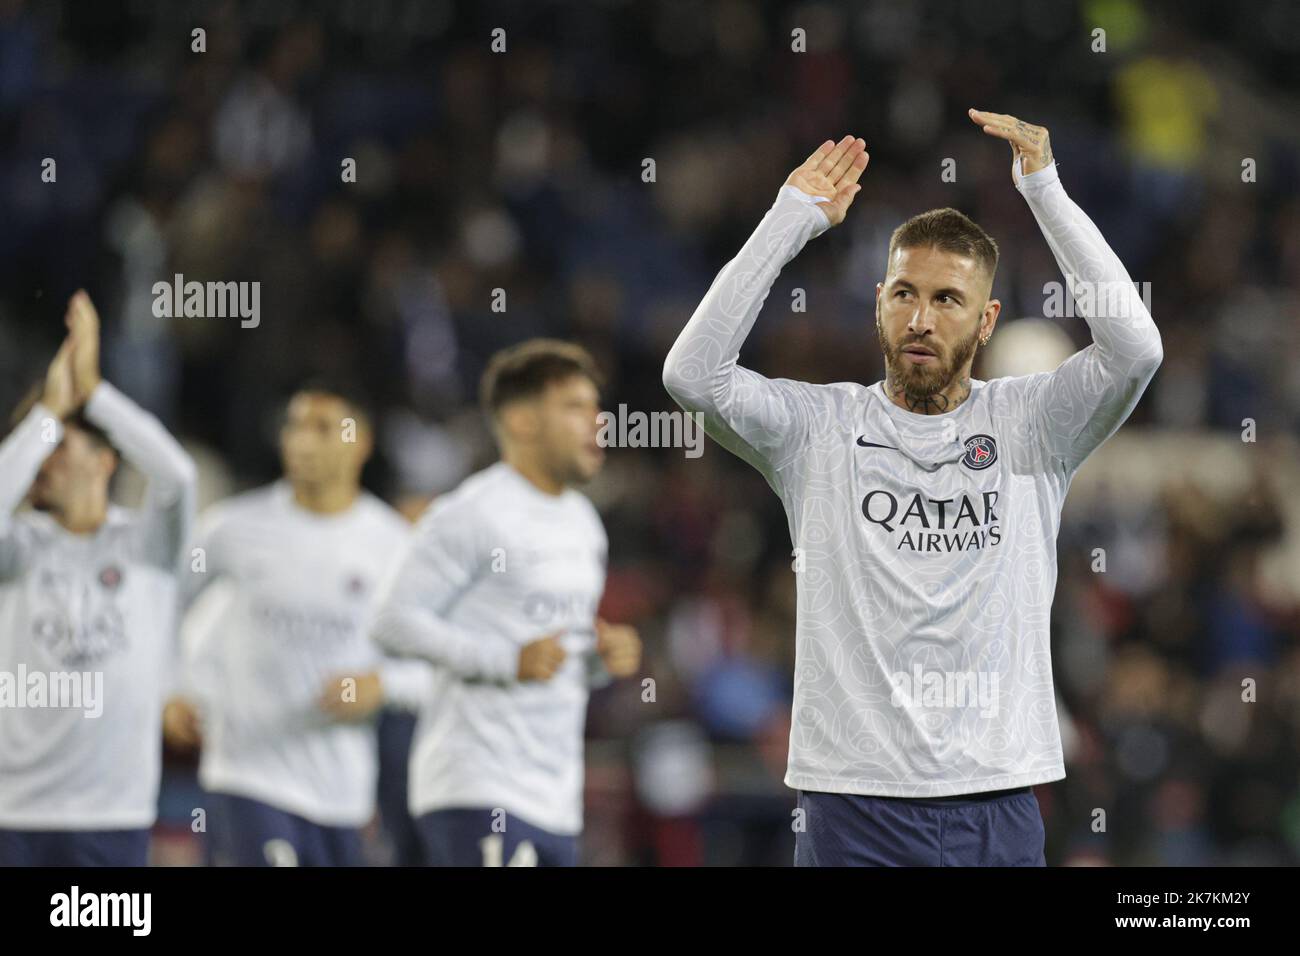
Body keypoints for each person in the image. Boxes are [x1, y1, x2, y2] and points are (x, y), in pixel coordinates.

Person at [662, 116, 1163, 866]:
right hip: (851, 806)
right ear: (878, 303)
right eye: (904, 293)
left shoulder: (1033, 424)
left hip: (997, 798)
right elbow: (690, 375)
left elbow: (1136, 349)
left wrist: (1046, 192)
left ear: (987, 318)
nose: (921, 320)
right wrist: (789, 219)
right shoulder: (816, 431)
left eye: (948, 299)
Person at [372, 339, 642, 867]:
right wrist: (503, 660)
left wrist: (600, 660)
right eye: (575, 407)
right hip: (478, 785)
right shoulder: (472, 513)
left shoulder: (583, 523)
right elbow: (391, 621)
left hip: (556, 798)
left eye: (596, 406)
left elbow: (554, 657)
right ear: (520, 421)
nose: (599, 422)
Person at [164, 384, 429, 866]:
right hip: (246, 778)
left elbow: (438, 667)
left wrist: (380, 685)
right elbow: (161, 604)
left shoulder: (393, 547)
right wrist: (173, 688)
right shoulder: (232, 529)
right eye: (294, 426)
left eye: (323, 428)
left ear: (360, 441)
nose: (303, 441)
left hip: (341, 797)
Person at [0, 291, 197, 866]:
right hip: (15, 814)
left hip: (114, 816)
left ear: (106, 461)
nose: (42, 464)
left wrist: (95, 395)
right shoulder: (17, 549)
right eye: (36, 451)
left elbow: (177, 474)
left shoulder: (147, 547)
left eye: (60, 448)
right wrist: (45, 418)